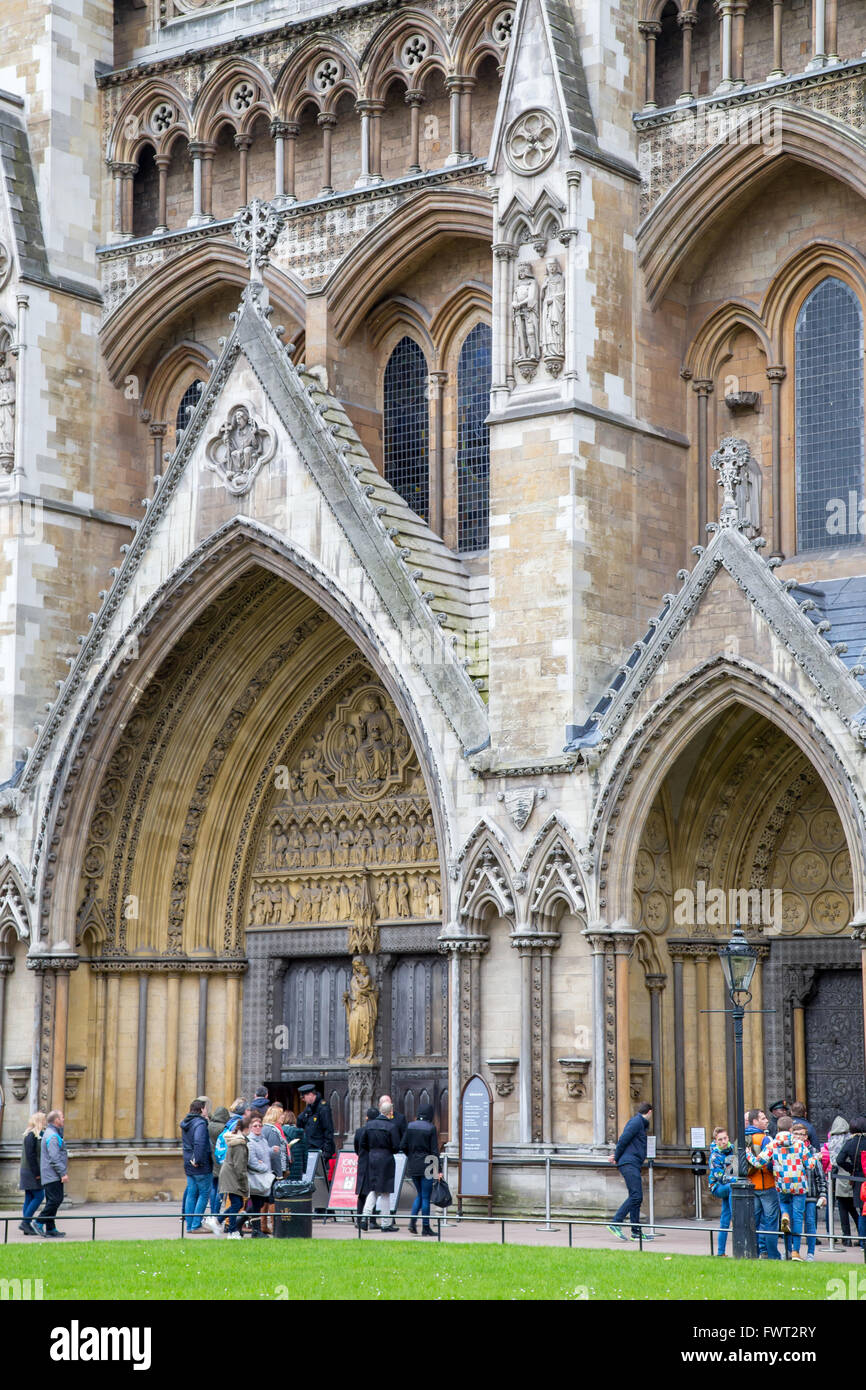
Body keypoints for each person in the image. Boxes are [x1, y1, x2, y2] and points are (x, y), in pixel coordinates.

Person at [747, 1115, 815, 1262]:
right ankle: (795, 1252)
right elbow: (810, 1165)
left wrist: (747, 1154)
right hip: (799, 1186)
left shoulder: (773, 1145)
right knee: (797, 1218)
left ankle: (784, 1217)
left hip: (781, 1185)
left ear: (777, 1129)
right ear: (791, 1129)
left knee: (785, 1207)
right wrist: (817, 1157)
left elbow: (758, 1163)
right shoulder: (799, 1144)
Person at [607, 1102, 653, 1242]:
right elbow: (623, 1139)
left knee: (636, 1198)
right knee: (636, 1196)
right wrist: (617, 1156)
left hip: (632, 1162)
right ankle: (616, 1222)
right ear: (650, 1112)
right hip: (628, 1163)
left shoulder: (640, 1123)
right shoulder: (636, 1122)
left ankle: (636, 1232)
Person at [745, 1109, 780, 1259]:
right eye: (763, 1118)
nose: (767, 1121)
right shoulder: (765, 1139)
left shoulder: (741, 1139)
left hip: (750, 1185)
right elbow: (771, 1164)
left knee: (754, 1222)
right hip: (767, 1185)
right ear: (755, 1122)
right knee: (771, 1222)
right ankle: (772, 1255)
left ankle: (755, 1252)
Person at [401, 1104, 440, 1236]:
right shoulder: (431, 1128)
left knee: (420, 1194)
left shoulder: (410, 1126)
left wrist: (411, 1156)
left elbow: (403, 1145)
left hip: (414, 1164)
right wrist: (437, 1170)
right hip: (427, 1165)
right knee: (425, 1197)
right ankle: (425, 1227)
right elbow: (434, 1151)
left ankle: (412, 1222)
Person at [358, 1104, 398, 1231]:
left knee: (373, 1189)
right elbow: (396, 1146)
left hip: (372, 1158)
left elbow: (363, 1143)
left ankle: (365, 1217)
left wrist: (373, 1151)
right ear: (390, 1112)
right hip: (386, 1159)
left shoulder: (369, 1125)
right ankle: (386, 1223)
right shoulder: (391, 1126)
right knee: (385, 1191)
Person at [793, 1120, 826, 1261]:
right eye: (796, 1134)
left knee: (811, 1223)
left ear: (806, 1137)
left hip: (811, 1194)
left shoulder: (813, 1152)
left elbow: (821, 1176)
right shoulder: (789, 1152)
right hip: (795, 1193)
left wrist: (823, 1194)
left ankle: (811, 1253)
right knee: (796, 1223)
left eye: (802, 1134)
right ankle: (794, 1251)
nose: (799, 1137)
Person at [180, 1098, 213, 1233]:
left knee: (192, 1193)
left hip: (188, 1161)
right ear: (201, 1109)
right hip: (199, 1163)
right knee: (204, 1193)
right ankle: (196, 1225)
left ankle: (189, 1225)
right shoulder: (200, 1123)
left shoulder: (186, 1123)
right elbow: (199, 1142)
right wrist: (198, 1160)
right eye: (205, 1108)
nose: (207, 1110)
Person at [826, 1115, 859, 1243]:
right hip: (850, 1175)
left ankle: (846, 1237)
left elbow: (835, 1161)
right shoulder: (850, 1139)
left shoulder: (832, 1141)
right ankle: (860, 1237)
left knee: (843, 1207)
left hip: (839, 1176)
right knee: (852, 1207)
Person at [835, 1114, 866, 1244]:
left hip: (858, 1178)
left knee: (862, 1211)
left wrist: (851, 1169)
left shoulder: (850, 1143)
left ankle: (862, 1241)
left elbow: (839, 1160)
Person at [219, 1117, 251, 1238]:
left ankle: (228, 1227)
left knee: (236, 1204)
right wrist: (244, 1186)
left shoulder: (237, 1141)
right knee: (237, 1204)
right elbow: (239, 1167)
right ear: (246, 1129)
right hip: (232, 1177)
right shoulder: (239, 1144)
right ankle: (230, 1229)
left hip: (230, 1175)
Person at [39, 1109, 68, 1238]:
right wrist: (62, 1173)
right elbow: (54, 1157)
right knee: (56, 1199)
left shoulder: (52, 1133)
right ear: (56, 1120)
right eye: (62, 1117)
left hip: (50, 1174)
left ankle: (50, 1228)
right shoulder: (53, 1136)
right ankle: (39, 1222)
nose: (63, 1119)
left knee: (52, 1200)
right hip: (53, 1175)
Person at [260, 1104, 289, 1235]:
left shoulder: (266, 1129)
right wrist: (278, 1173)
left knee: (266, 1198)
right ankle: (275, 1225)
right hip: (272, 1170)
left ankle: (264, 1225)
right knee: (272, 1198)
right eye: (281, 1114)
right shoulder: (272, 1131)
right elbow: (274, 1154)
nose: (283, 1117)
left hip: (266, 1169)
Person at [246, 1113, 275, 1236]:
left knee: (260, 1203)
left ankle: (256, 1231)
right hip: (256, 1177)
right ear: (251, 1128)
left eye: (260, 1125)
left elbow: (264, 1154)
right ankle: (254, 1230)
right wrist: (264, 1167)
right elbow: (252, 1161)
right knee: (257, 1204)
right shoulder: (250, 1142)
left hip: (264, 1177)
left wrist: (272, 1150)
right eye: (255, 1126)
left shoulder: (263, 1139)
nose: (258, 1128)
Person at [708, 1125, 734, 1257]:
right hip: (717, 1186)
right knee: (731, 1188)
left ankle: (720, 1252)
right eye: (720, 1139)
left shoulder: (733, 1149)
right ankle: (735, 1217)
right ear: (716, 1141)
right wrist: (736, 1180)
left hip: (729, 1186)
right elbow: (721, 1178)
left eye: (725, 1138)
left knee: (724, 1217)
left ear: (728, 1138)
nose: (723, 1141)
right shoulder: (714, 1156)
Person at [297, 1084, 335, 1173]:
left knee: (320, 1176)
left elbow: (328, 1130)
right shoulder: (310, 1107)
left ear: (310, 1095)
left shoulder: (323, 1108)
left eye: (304, 1097)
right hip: (310, 1147)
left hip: (320, 1148)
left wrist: (326, 1151)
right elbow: (300, 1121)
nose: (303, 1100)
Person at [18, 1112, 46, 1235]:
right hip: (30, 1171)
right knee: (39, 1195)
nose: (45, 1122)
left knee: (29, 1197)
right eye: (44, 1120)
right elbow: (31, 1155)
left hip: (28, 1170)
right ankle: (25, 1222)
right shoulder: (31, 1135)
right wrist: (37, 1174)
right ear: (39, 1121)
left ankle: (26, 1226)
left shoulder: (33, 1134)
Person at [355, 1106, 379, 1227]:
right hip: (374, 1163)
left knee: (362, 1193)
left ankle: (359, 1219)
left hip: (363, 1162)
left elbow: (356, 1148)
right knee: (373, 1191)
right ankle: (373, 1221)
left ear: (366, 1118)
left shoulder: (360, 1131)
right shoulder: (377, 1131)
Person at [207, 1104, 230, 1225]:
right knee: (221, 1190)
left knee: (213, 1187)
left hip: (211, 1160)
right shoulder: (224, 1128)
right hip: (222, 1161)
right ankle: (216, 1213)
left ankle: (212, 1212)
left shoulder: (208, 1126)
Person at [280, 1109, 308, 1181]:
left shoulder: (281, 1132)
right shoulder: (301, 1134)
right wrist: (304, 1169)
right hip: (298, 1168)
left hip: (286, 1169)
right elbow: (305, 1154)